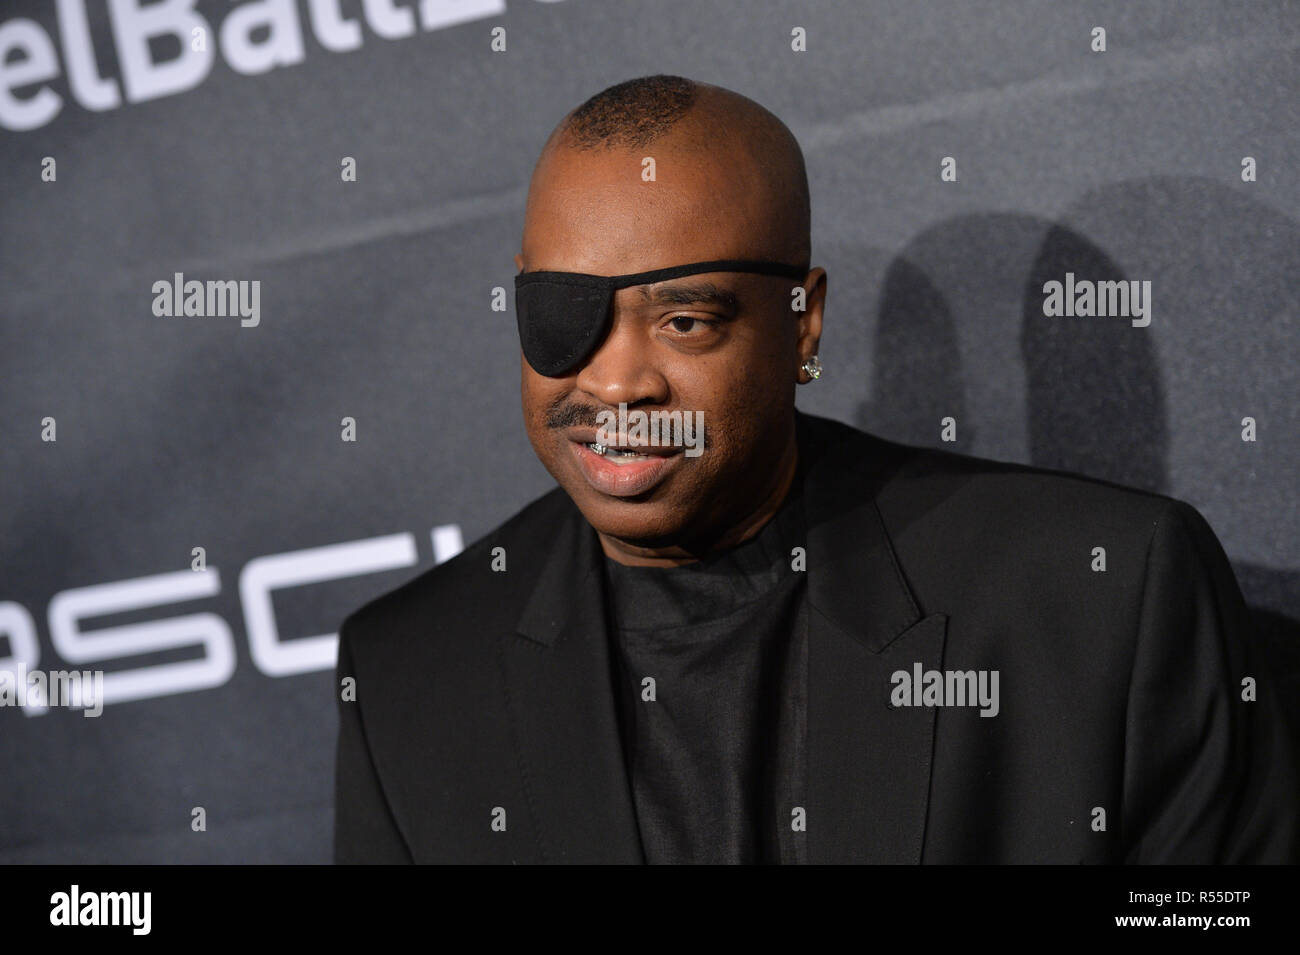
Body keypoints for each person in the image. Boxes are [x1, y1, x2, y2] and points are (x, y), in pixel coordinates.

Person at [333, 74, 1297, 864]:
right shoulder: (411, 681)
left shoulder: (1101, 595)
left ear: (804, 322)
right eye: (566, 316)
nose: (617, 380)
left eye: (684, 320)